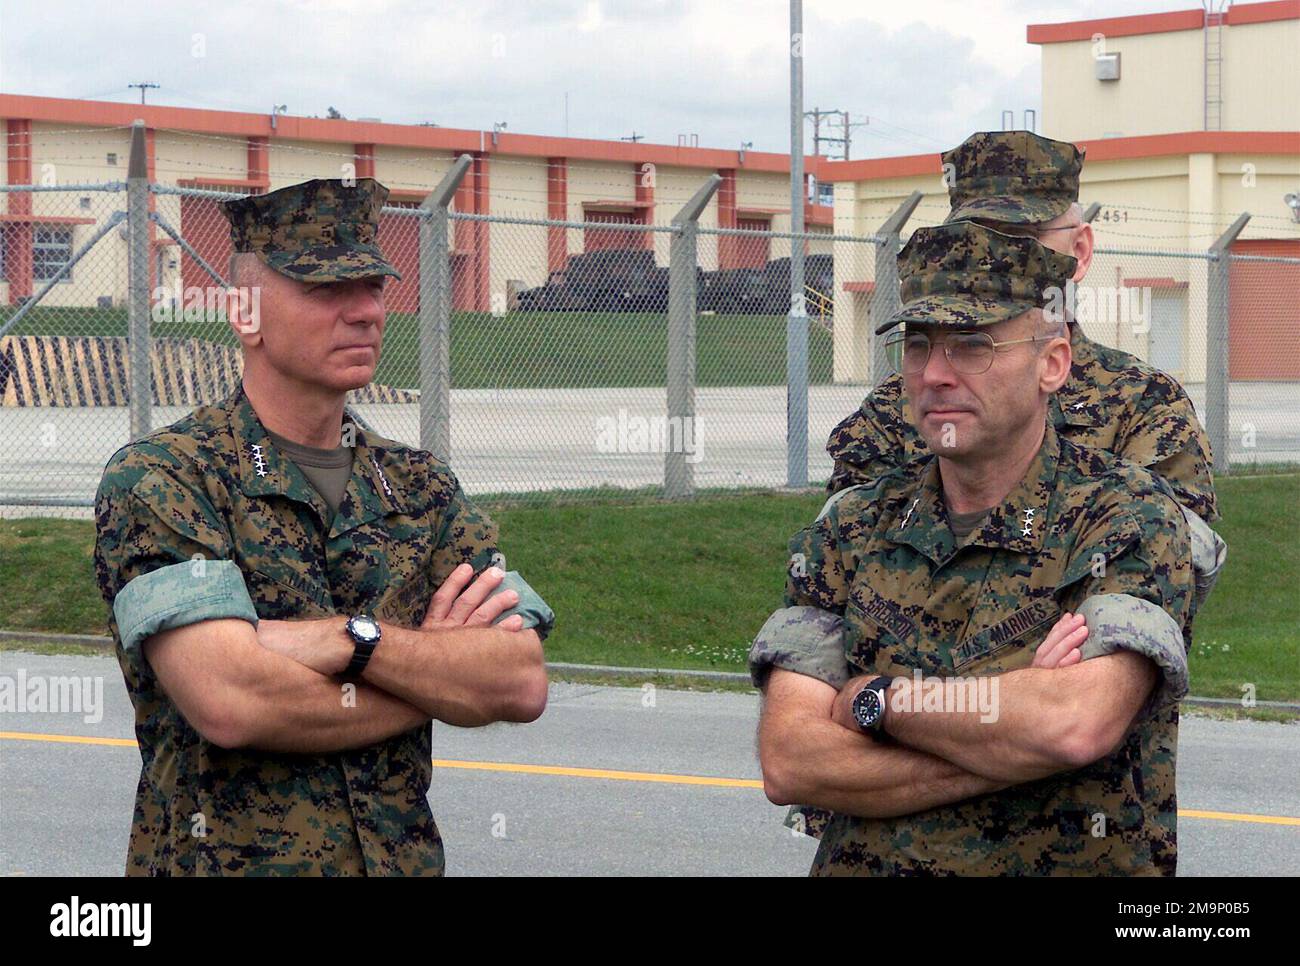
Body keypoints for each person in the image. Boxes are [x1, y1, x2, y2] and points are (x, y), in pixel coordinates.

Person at [94, 178, 552, 876]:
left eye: (372, 287)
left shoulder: (419, 487)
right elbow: (233, 700)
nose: (365, 311)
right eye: (327, 291)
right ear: (245, 312)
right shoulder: (167, 478)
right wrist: (431, 672)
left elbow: (517, 681)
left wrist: (348, 641)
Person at [783, 130, 1226, 839]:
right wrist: (1017, 704)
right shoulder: (897, 412)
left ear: (1079, 251)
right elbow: (847, 633)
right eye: (978, 235)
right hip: (885, 844)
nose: (996, 257)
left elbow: (1117, 660)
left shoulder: (1145, 409)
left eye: (1023, 237)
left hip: (1072, 836)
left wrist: (886, 697)